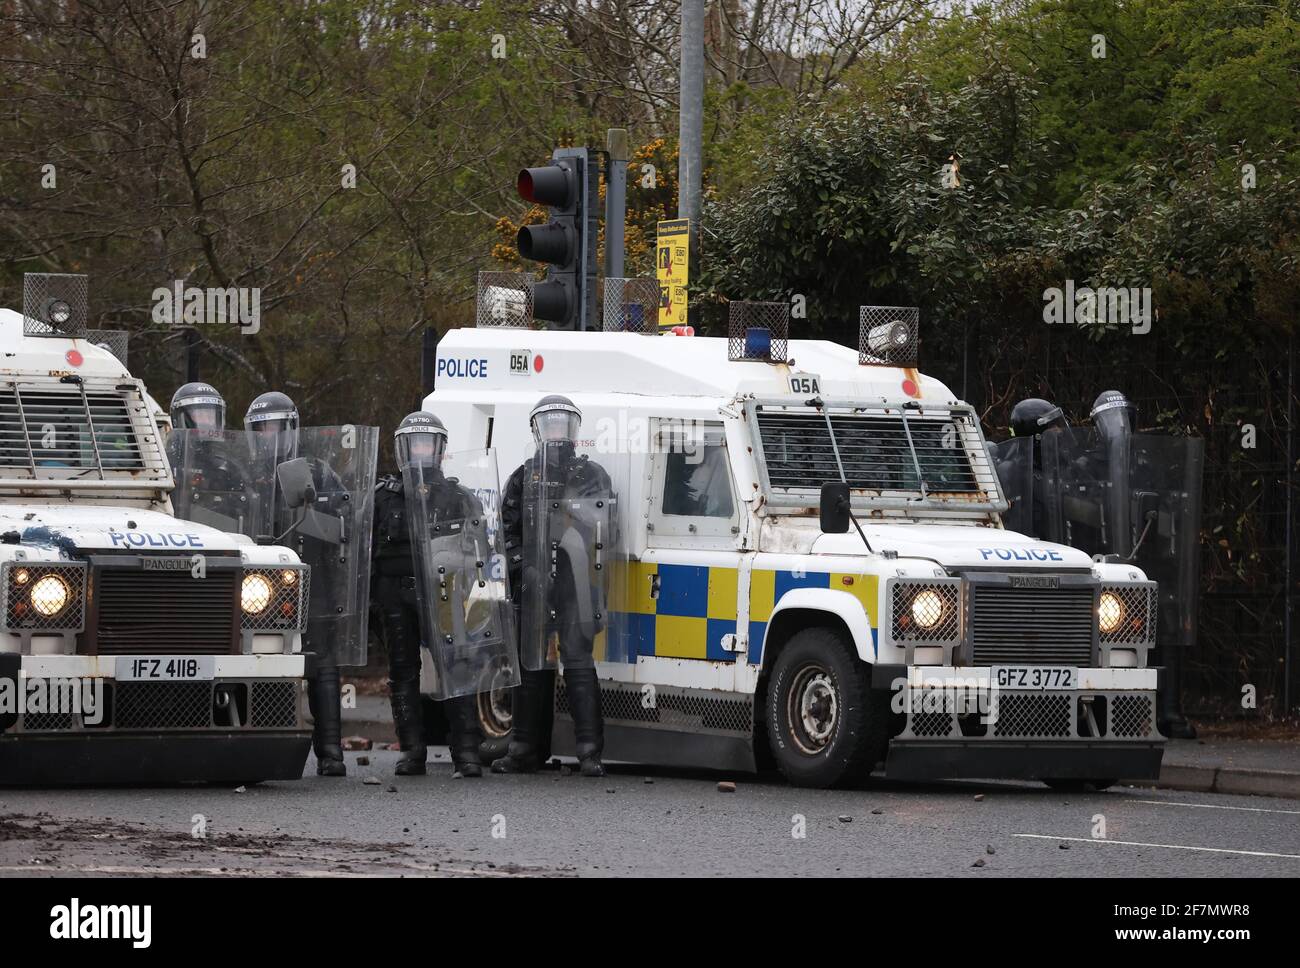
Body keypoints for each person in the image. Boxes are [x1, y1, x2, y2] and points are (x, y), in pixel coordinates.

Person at [492, 394, 612, 778]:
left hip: (576, 580)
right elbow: (504, 531)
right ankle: (525, 748)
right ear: (537, 429)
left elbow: (606, 529)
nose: (557, 432)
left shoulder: (592, 475)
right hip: (534, 581)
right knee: (531, 662)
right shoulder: (524, 476)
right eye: (551, 424)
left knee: (577, 661)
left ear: (574, 429)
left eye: (563, 424)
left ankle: (590, 751)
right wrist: (521, 566)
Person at [373, 411, 486, 776]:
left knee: (456, 667)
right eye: (414, 444)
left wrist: (482, 604)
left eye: (427, 444)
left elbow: (481, 552)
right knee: (403, 671)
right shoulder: (382, 498)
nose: (421, 452)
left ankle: (466, 753)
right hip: (394, 594)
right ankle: (412, 751)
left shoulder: (459, 497)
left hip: (443, 591)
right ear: (401, 449)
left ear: (440, 450)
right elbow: (364, 556)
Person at [244, 390, 350, 777]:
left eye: (275, 427)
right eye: (262, 428)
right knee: (264, 660)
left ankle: (331, 752)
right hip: (259, 585)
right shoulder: (245, 472)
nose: (269, 435)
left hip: (313, 581)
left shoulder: (317, 470)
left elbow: (343, 524)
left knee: (322, 664)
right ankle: (266, 749)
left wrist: (311, 510)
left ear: (291, 429)